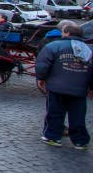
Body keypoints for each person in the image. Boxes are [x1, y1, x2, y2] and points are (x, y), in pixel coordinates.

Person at [35, 21, 93, 149]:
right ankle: (80, 141)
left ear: (66, 33)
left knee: (55, 113)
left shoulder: (54, 46)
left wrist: (41, 78)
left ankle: (53, 137)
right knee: (78, 115)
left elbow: (42, 65)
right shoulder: (88, 49)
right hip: (79, 88)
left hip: (57, 87)